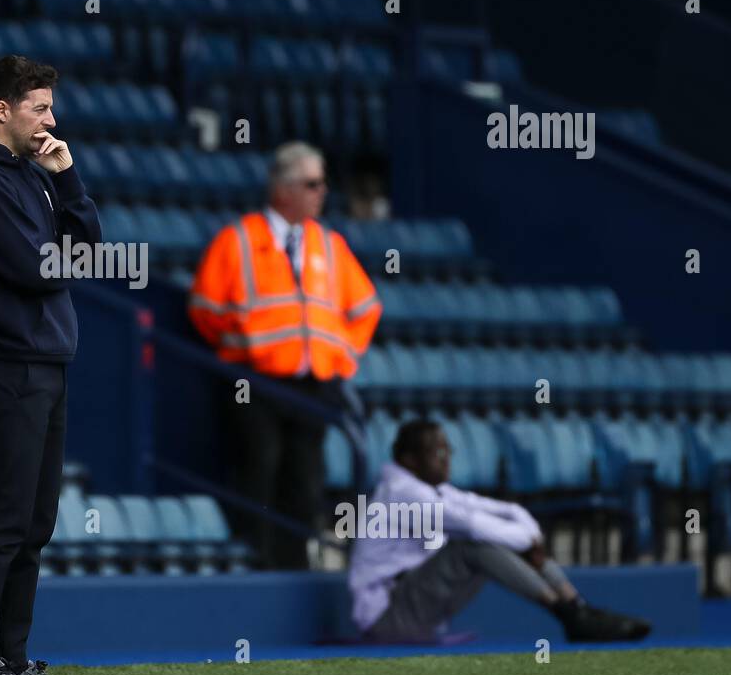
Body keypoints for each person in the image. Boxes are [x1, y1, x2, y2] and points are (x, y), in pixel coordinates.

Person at [0, 55, 101, 675]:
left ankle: (14, 657)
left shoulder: (34, 176)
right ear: (3, 110)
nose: (51, 120)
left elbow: (86, 249)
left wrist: (66, 180)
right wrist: (62, 256)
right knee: (6, 517)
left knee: (36, 521)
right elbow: (37, 268)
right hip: (11, 362)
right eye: (39, 107)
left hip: (48, 361)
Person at [189, 142, 381, 569]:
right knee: (258, 472)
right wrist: (243, 345)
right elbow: (205, 307)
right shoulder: (237, 240)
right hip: (255, 382)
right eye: (313, 183)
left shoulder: (329, 244)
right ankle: (258, 568)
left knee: (304, 481)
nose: (322, 192)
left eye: (323, 183)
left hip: (313, 384)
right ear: (283, 188)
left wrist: (341, 355)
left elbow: (366, 307)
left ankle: (294, 568)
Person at [350, 420, 652, 643]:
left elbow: (504, 510)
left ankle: (577, 608)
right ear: (409, 460)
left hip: (415, 612)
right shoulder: (401, 492)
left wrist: (525, 531)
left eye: (447, 450)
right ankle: (570, 614)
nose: (446, 458)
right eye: (435, 451)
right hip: (387, 617)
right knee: (472, 545)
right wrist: (527, 538)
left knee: (491, 536)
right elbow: (472, 526)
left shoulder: (434, 489)